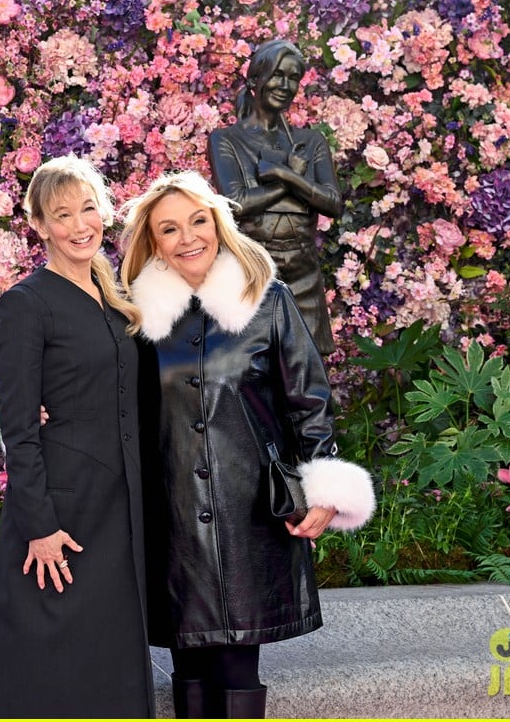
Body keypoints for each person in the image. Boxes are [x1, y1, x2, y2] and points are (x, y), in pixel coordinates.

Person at [119, 171, 375, 719]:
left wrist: (324, 487)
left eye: (198, 221)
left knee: (237, 664)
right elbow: (106, 396)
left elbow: (309, 399)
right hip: (170, 519)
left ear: (218, 223)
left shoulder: (268, 301)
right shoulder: (135, 317)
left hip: (249, 515)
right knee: (188, 662)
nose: (188, 237)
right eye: (169, 228)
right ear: (153, 241)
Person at [0, 155, 155, 719]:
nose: (80, 226)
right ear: (39, 225)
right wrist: (39, 526)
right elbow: (18, 427)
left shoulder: (115, 293)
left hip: (117, 504)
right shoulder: (26, 304)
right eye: (62, 215)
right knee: (50, 667)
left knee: (111, 660)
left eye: (88, 209)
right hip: (62, 512)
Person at [207, 39, 342, 355]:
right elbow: (236, 203)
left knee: (308, 375)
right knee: (253, 373)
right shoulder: (226, 140)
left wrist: (284, 174)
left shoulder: (311, 142)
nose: (285, 85)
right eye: (278, 75)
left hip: (304, 274)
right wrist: (294, 183)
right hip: (251, 275)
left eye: (293, 78)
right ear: (255, 79)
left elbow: (332, 203)